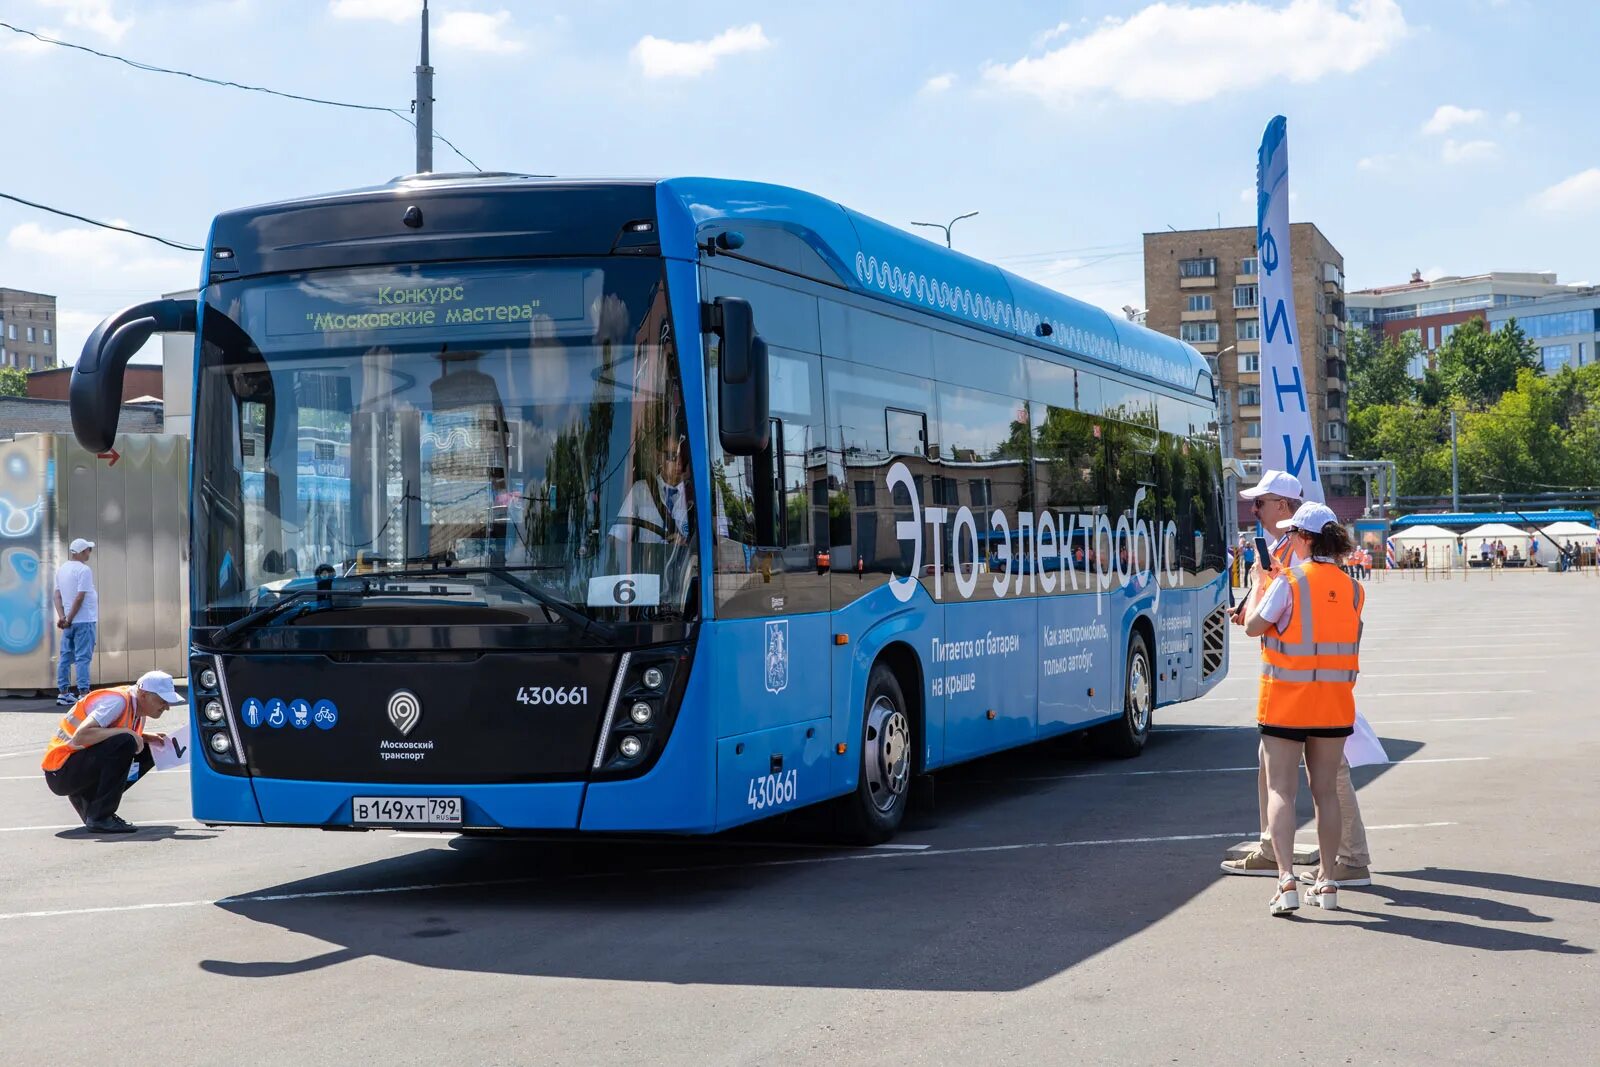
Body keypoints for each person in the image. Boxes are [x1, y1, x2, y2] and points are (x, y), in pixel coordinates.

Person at [1223, 473, 1372, 885]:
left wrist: (1258, 594)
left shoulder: (1293, 561)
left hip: (1294, 691)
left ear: (1285, 507)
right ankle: (1282, 853)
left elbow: (1271, 616)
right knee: (1294, 776)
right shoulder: (1294, 556)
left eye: (1260, 502)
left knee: (1316, 780)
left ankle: (1347, 859)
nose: (1254, 509)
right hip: (1329, 687)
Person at [40, 670, 184, 833]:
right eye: (162, 701)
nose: (167, 707)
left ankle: (90, 801)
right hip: (60, 771)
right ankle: (101, 817)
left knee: (150, 747)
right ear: (144, 694)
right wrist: (130, 733)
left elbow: (107, 735)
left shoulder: (137, 708)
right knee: (126, 741)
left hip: (73, 768)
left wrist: (143, 736)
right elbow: (81, 736)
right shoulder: (117, 702)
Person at [609, 432, 691, 548]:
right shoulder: (641, 490)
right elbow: (616, 538)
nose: (679, 462)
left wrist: (688, 547)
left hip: (686, 560)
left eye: (683, 456)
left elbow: (715, 542)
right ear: (658, 456)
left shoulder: (697, 496)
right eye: (672, 456)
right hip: (648, 559)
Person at [54, 538, 98, 707]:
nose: (89, 553)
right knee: (83, 658)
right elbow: (80, 597)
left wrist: (63, 617)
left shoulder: (62, 569)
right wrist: (69, 618)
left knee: (65, 657)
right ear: (81, 551)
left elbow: (57, 595)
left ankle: (63, 693)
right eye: (88, 550)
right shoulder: (84, 570)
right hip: (84, 620)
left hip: (69, 622)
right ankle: (83, 693)